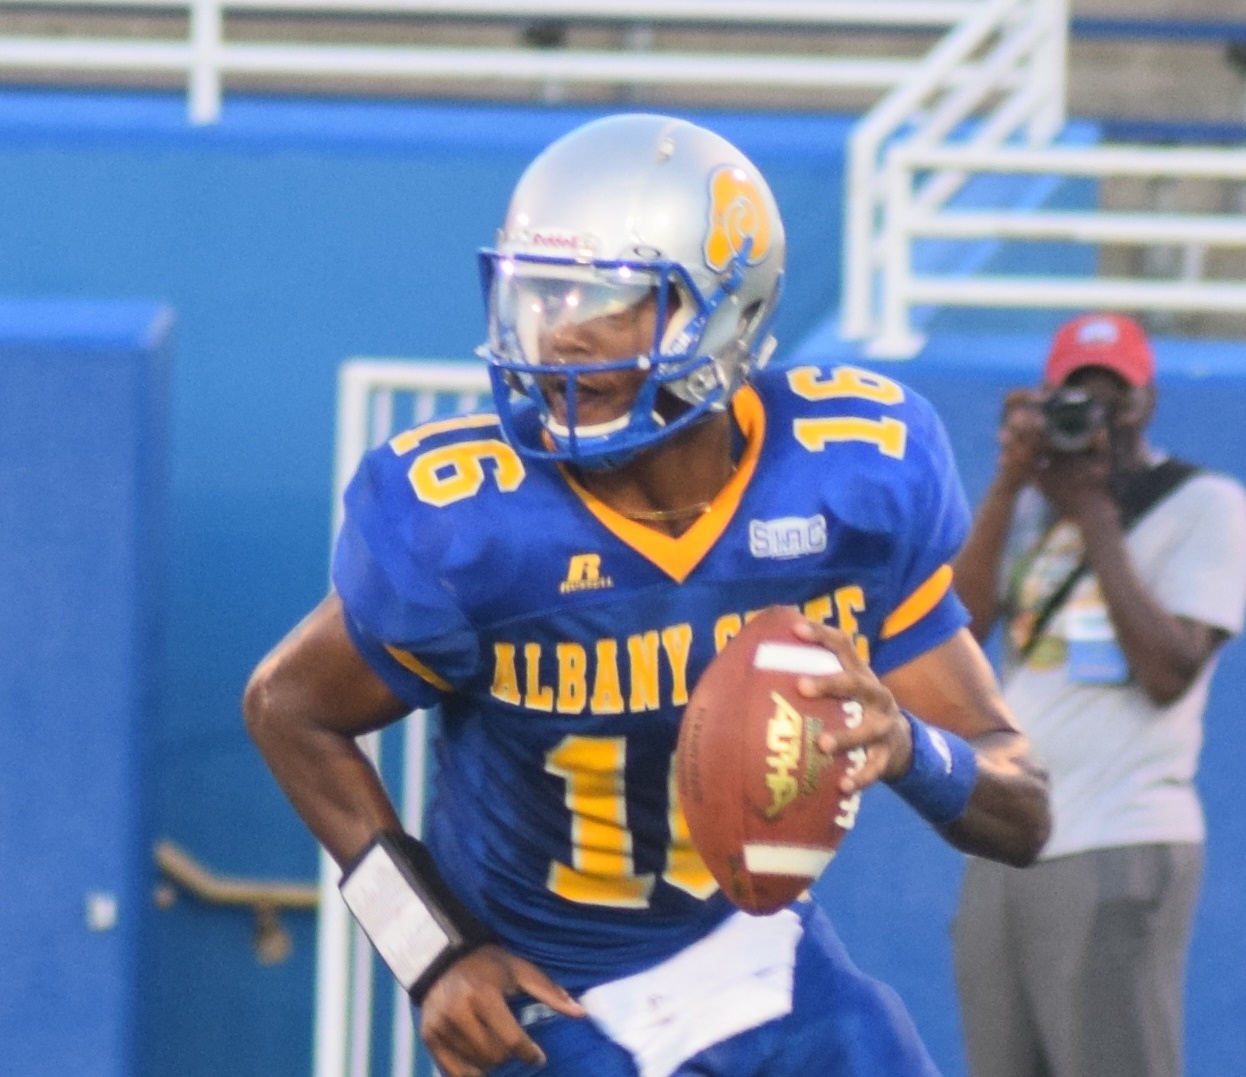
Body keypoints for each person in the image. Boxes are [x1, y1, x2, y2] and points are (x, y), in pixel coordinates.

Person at [244, 113, 1051, 1077]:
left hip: (755, 951)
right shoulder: (469, 527)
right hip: (550, 998)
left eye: (602, 300)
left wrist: (910, 747)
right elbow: (286, 708)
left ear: (720, 313)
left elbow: (1024, 812)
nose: (556, 333)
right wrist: (431, 953)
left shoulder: (848, 480)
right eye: (537, 296)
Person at [951, 313, 1246, 1077]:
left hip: (1121, 832)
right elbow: (959, 627)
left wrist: (1095, 514)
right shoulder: (1028, 504)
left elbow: (1169, 670)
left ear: (1147, 399)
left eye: (1113, 397)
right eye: (1076, 397)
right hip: (1013, 838)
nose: (1097, 416)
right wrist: (1010, 481)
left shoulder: (1205, 504)